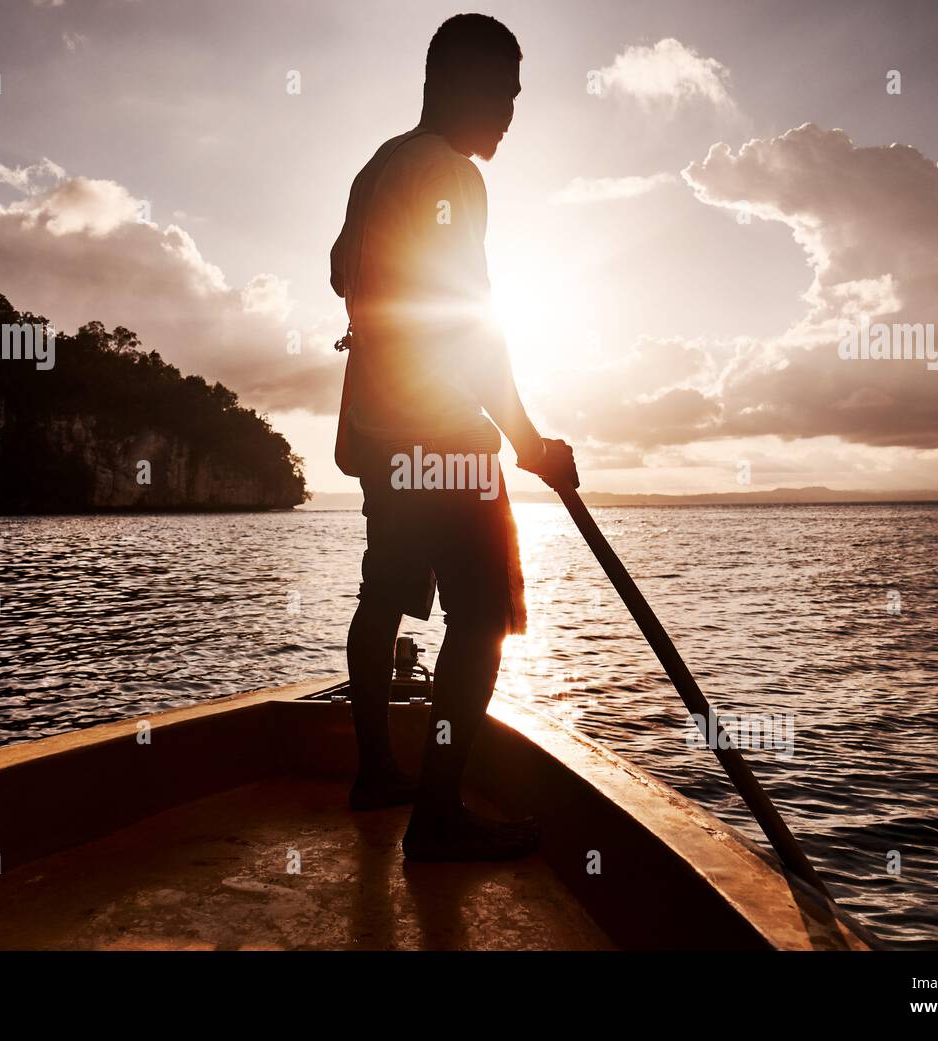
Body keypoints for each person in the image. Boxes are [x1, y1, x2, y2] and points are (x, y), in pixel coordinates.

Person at [329, 13, 578, 861]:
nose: (510, 109)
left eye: (516, 92)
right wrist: (531, 440)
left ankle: (376, 775)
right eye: (499, 89)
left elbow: (340, 272)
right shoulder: (451, 175)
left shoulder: (380, 167)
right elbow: (471, 326)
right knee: (480, 618)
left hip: (377, 436)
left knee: (384, 598)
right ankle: (436, 818)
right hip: (439, 437)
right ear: (449, 84)